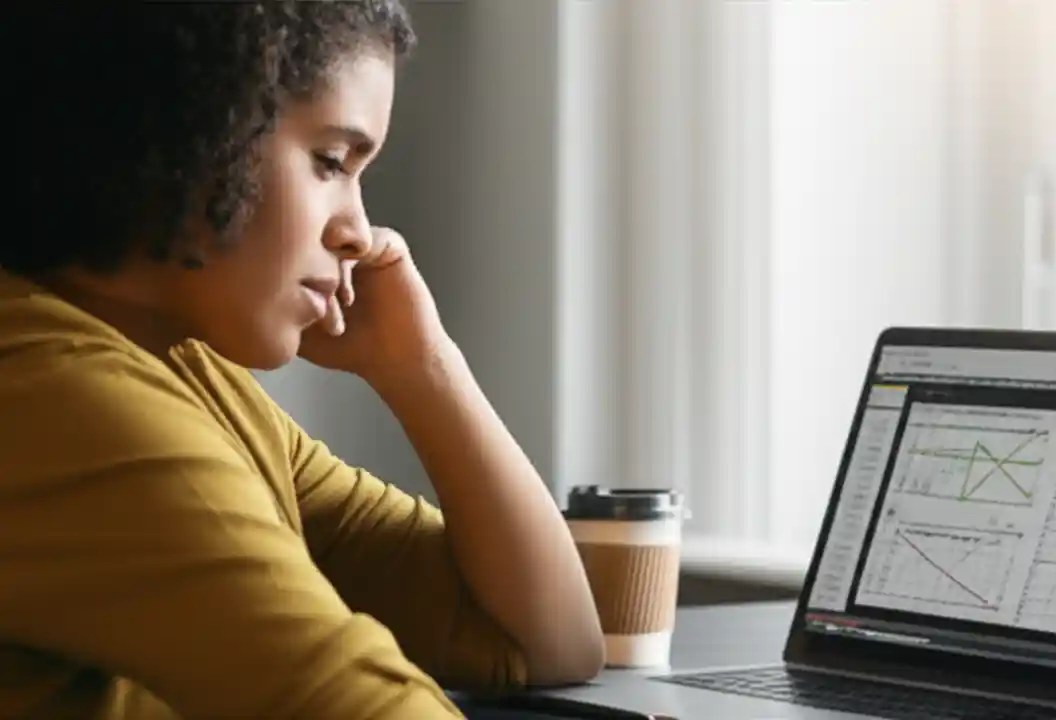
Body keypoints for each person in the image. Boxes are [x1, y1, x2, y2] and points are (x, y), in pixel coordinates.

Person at [1, 2, 604, 717]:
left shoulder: (191, 378)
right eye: (331, 162)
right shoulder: (54, 396)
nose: (358, 231)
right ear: (198, 130)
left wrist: (425, 367)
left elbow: (544, 641)